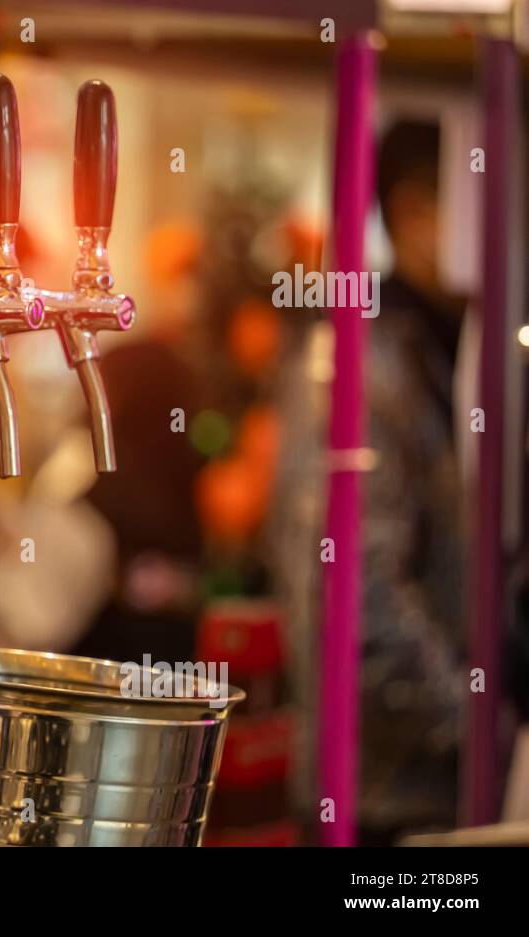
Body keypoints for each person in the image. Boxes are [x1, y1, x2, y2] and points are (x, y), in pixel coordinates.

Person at [272, 120, 469, 843]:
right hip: (382, 803)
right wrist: (481, 723)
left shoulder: (465, 345)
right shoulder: (360, 362)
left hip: (450, 796)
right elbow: (355, 598)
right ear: (417, 211)